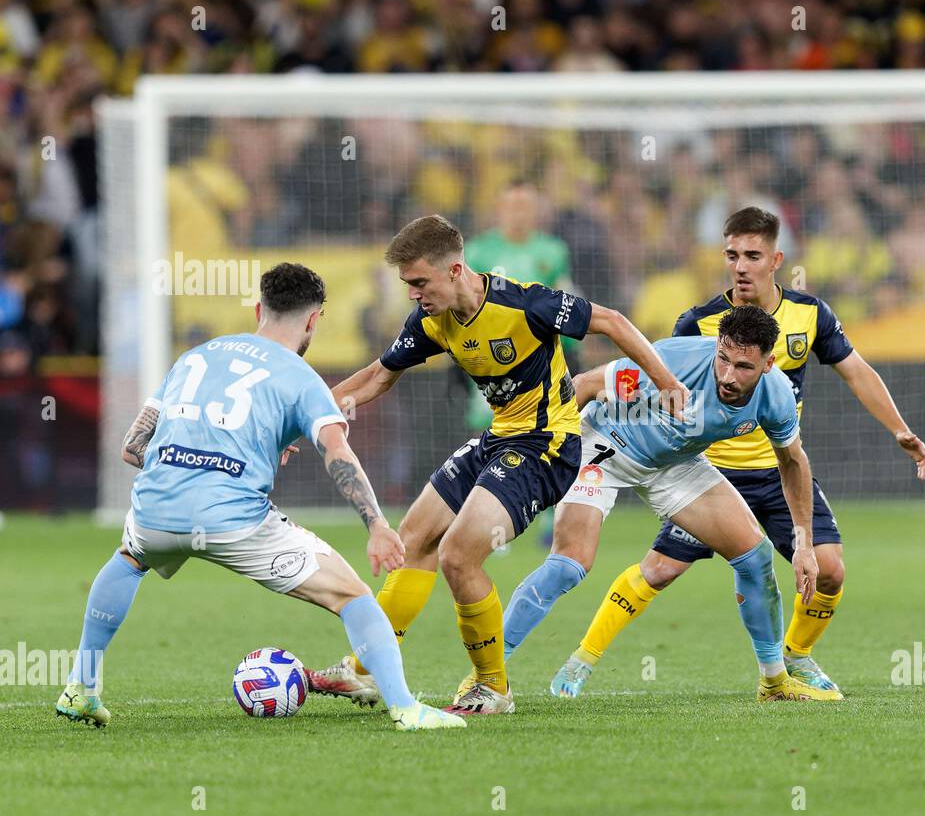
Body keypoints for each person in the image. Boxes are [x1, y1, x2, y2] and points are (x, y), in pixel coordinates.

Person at [542, 207, 925, 699]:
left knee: (829, 568)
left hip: (778, 471)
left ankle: (795, 659)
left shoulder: (811, 314)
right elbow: (649, 384)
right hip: (714, 474)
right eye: (732, 255)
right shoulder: (699, 324)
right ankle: (582, 661)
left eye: (753, 255)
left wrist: (899, 429)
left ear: (776, 259)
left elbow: (857, 371)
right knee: (660, 570)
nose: (741, 266)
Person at [55, 263, 462, 733]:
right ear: (314, 321)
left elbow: (133, 448)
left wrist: (195, 464)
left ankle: (80, 688)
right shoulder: (302, 377)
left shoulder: (195, 357)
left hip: (155, 508)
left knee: (129, 558)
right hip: (235, 521)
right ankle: (406, 709)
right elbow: (337, 452)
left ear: (258, 309)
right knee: (354, 596)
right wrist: (376, 525)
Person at [306, 215, 686, 715]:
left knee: (459, 556)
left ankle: (493, 688)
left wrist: (666, 383)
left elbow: (612, 321)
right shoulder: (430, 320)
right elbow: (379, 375)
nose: (414, 295)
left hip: (548, 446)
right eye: (408, 285)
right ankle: (365, 671)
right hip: (499, 438)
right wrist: (308, 415)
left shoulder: (526, 304)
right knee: (415, 536)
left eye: (420, 282)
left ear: (456, 270)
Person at [499, 303, 840, 702]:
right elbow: (587, 385)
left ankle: (774, 682)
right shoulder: (672, 361)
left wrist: (803, 543)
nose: (728, 376)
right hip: (604, 449)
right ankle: (487, 675)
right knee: (569, 565)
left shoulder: (776, 396)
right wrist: (544, 450)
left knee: (756, 558)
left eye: (743, 367)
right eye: (724, 360)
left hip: (673, 464)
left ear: (768, 364)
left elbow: (793, 462)